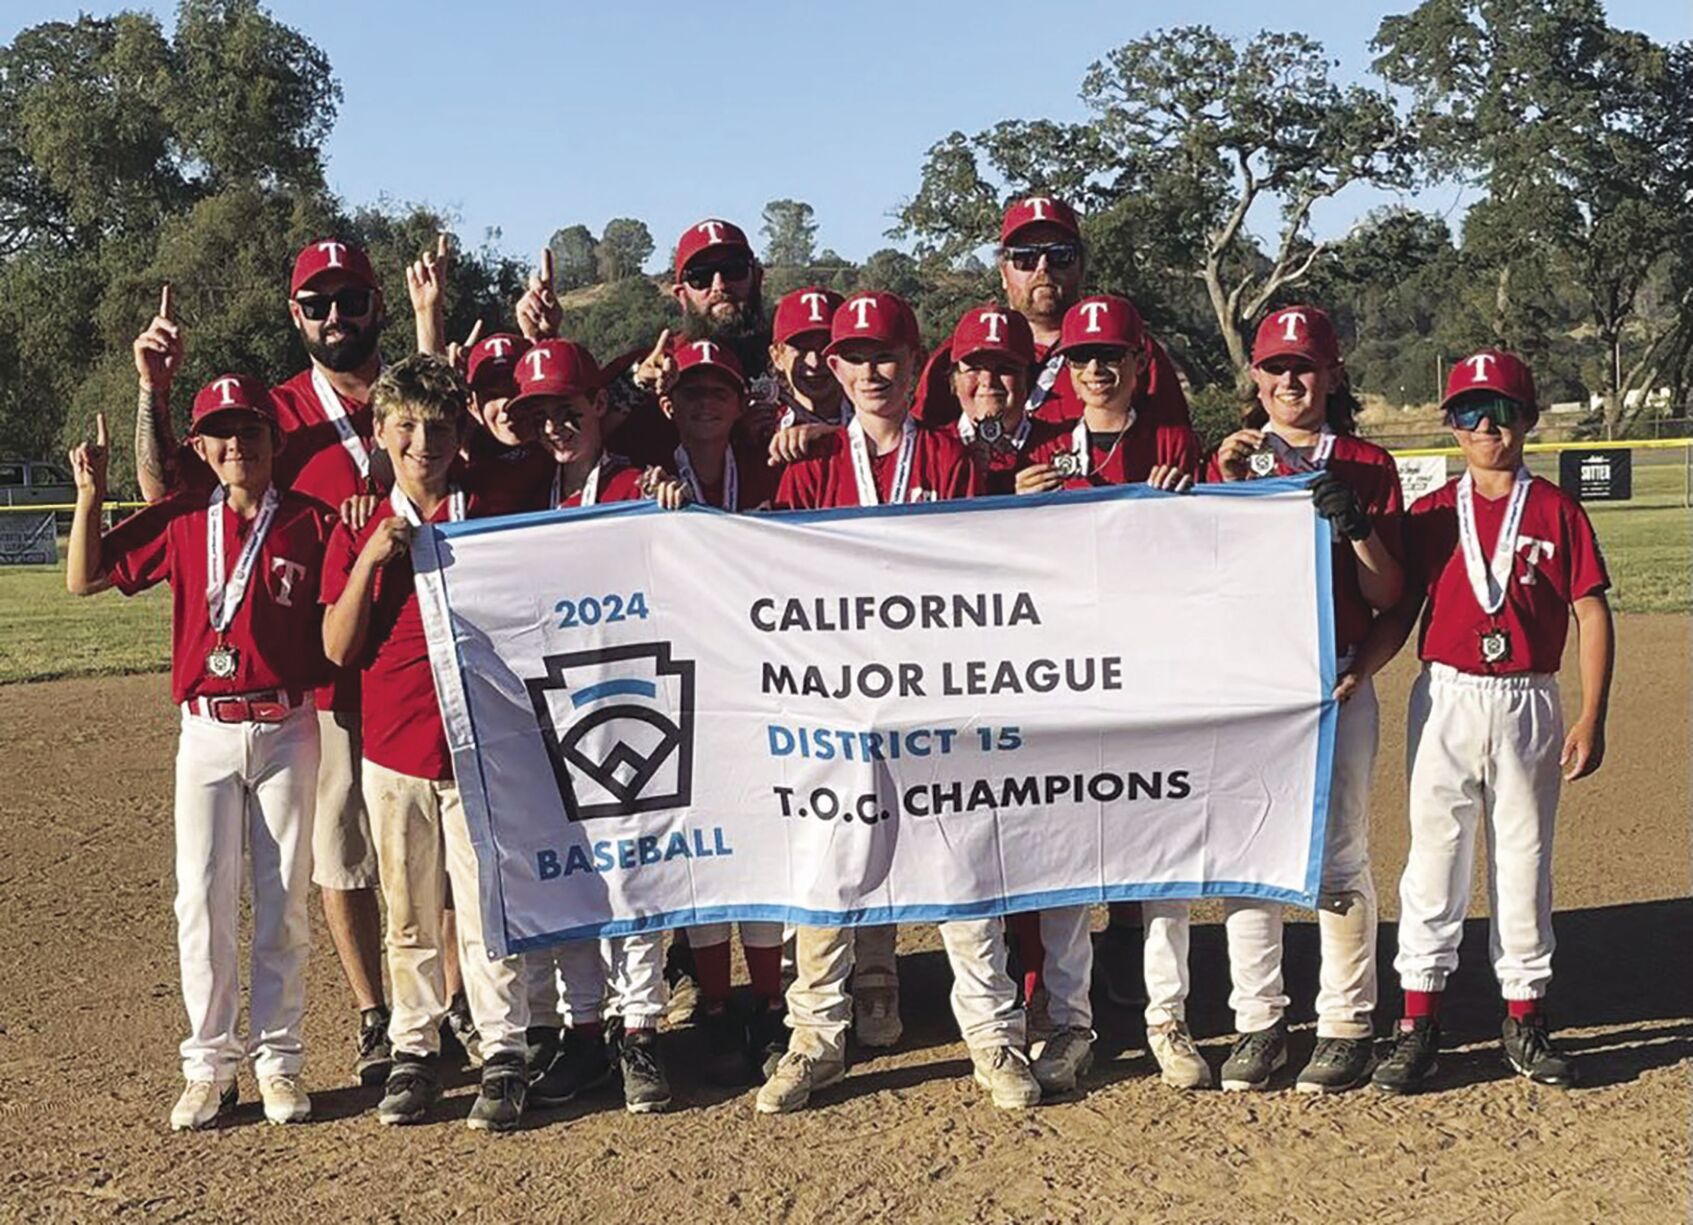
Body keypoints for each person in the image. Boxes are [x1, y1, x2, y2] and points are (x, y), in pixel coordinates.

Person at [759, 290, 1039, 1115]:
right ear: (833, 368)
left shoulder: (955, 461)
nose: (873, 370)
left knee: (963, 866)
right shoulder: (806, 471)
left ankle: (992, 1032)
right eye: (856, 356)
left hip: (939, 701)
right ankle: (815, 1037)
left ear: (918, 366)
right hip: (838, 705)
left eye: (889, 355)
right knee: (825, 872)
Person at [133, 242, 399, 1085]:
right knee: (338, 853)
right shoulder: (273, 411)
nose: (334, 317)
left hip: (419, 658)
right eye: (316, 303)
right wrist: (154, 391)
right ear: (296, 314)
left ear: (375, 304)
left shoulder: (411, 397)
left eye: (349, 300)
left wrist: (433, 333)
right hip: (317, 679)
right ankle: (374, 1016)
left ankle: (446, 1010)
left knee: (432, 851)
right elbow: (162, 487)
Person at [69, 377, 329, 1129]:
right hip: (207, 730)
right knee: (201, 902)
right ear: (201, 446)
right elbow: (84, 577)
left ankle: (279, 1062)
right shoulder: (183, 516)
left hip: (286, 727)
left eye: (249, 429)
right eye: (220, 432)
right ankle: (208, 1065)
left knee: (283, 905)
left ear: (273, 439)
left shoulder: (309, 522)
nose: (236, 444)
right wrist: (90, 494)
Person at [1356, 349, 1613, 1094]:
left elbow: (1590, 610)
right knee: (1433, 858)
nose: (1484, 425)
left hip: (1529, 694)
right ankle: (1417, 1020)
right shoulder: (1434, 512)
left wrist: (1591, 715)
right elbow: (1399, 608)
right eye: (1468, 412)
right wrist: (1358, 670)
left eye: (1500, 410)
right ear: (1451, 425)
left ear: (1527, 420)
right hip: (1446, 694)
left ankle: (1525, 1016)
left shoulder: (1557, 510)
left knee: (1522, 858)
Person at [320, 354, 531, 1132]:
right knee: (409, 908)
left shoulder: (496, 509)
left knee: (487, 904)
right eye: (404, 426)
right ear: (379, 432)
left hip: (484, 743)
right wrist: (372, 557)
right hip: (398, 744)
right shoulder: (360, 525)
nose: (421, 442)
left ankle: (503, 1045)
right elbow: (338, 648)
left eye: (438, 427)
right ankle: (415, 1042)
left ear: (460, 433)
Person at [1201, 305, 1404, 1093]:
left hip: (1333, 676)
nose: (1290, 379)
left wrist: (1355, 528)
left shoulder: (1365, 462)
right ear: (1253, 377)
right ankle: (1257, 1021)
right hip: (1249, 684)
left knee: (1341, 850)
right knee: (1245, 853)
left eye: (1305, 366)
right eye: (1275, 366)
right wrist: (1214, 483)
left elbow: (1390, 595)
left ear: (1332, 375)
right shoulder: (1229, 459)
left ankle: (1345, 1022)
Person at [1009, 294, 1198, 1097]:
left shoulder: (1170, 443)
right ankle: (1069, 1019)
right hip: (1064, 675)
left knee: (1158, 854)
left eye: (1111, 355)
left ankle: (1167, 1017)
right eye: (1084, 357)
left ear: (1136, 362)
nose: (1096, 368)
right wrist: (1009, 506)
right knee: (1065, 851)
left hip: (1151, 674)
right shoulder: (1043, 445)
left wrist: (1188, 496)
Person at [502, 339, 677, 1116]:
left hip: (631, 697)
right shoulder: (524, 490)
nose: (557, 426)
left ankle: (640, 1029)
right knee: (571, 871)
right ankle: (583, 1032)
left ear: (600, 405)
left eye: (569, 409)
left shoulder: (640, 482)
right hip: (548, 707)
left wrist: (678, 512)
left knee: (634, 867)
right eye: (541, 415)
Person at [648, 339, 787, 1082]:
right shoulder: (642, 478)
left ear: (741, 403)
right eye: (690, 392)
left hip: (757, 676)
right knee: (699, 844)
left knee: (757, 839)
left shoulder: (767, 471)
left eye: (719, 392)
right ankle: (709, 997)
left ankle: (765, 1000)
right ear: (669, 403)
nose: (704, 404)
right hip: (676, 681)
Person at [913, 195, 1192, 444]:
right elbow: (920, 452)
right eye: (1025, 258)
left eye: (1061, 255)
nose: (1043, 267)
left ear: (1081, 265)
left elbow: (1174, 446)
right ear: (1002, 272)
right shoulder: (960, 355)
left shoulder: (1128, 346)